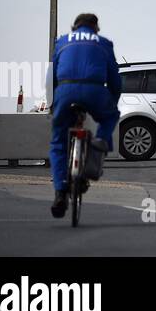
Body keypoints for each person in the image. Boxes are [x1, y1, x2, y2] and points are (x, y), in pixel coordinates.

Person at [49, 12, 122, 218]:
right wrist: (111, 104)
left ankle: (60, 191)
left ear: (74, 26)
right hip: (95, 91)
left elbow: (53, 76)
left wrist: (56, 103)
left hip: (65, 91)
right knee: (109, 117)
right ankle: (99, 144)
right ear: (96, 28)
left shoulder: (62, 41)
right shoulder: (104, 43)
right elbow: (115, 80)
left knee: (58, 143)